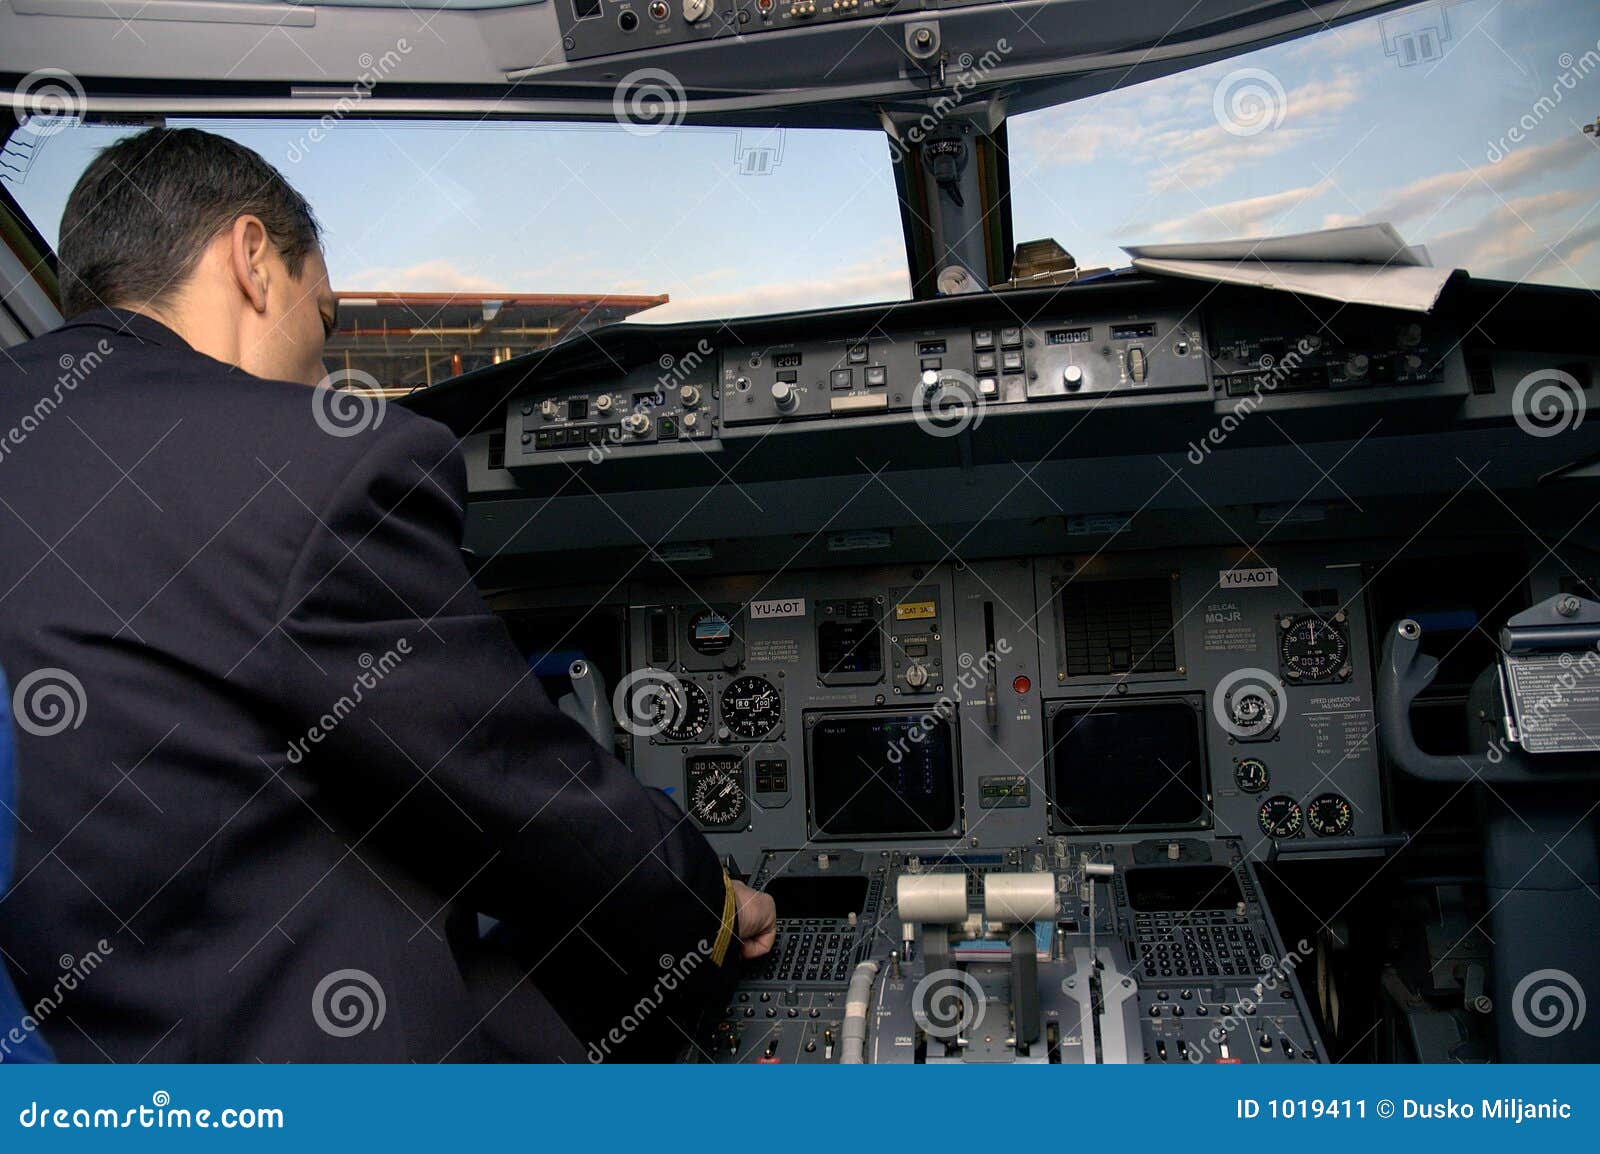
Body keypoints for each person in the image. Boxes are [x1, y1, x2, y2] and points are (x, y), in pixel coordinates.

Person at [0, 127, 773, 1062]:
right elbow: (509, 786)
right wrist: (710, 901)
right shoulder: (303, 467)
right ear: (252, 259)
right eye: (322, 323)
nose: (324, 381)